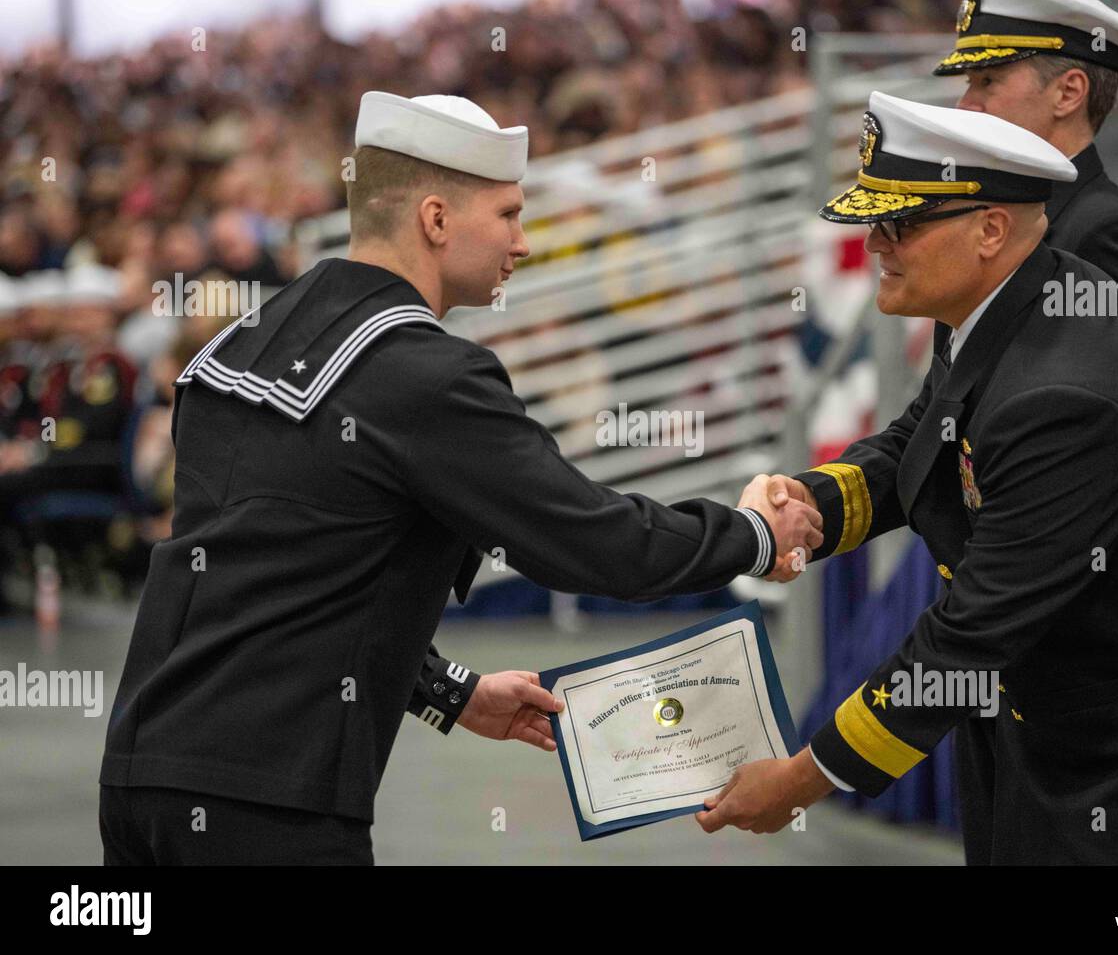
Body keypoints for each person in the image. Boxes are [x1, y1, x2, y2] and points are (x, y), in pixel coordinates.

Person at [98, 92, 822, 865]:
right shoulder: (425, 374)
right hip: (272, 800)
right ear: (436, 220)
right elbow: (594, 541)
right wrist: (750, 535)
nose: (524, 243)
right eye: (508, 214)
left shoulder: (236, 344)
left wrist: (449, 691)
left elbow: (284, 570)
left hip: (143, 775)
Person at [698, 92, 1118, 864]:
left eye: (901, 223)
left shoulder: (1069, 390)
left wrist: (802, 778)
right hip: (1064, 719)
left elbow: (973, 631)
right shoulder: (1006, 303)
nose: (876, 242)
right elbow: (921, 442)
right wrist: (803, 504)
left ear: (990, 230)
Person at [935, 0, 1118, 393]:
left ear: (1068, 93)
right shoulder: (1002, 217)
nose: (966, 104)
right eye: (968, 83)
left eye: (988, 81)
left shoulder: (1108, 232)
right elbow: (941, 407)